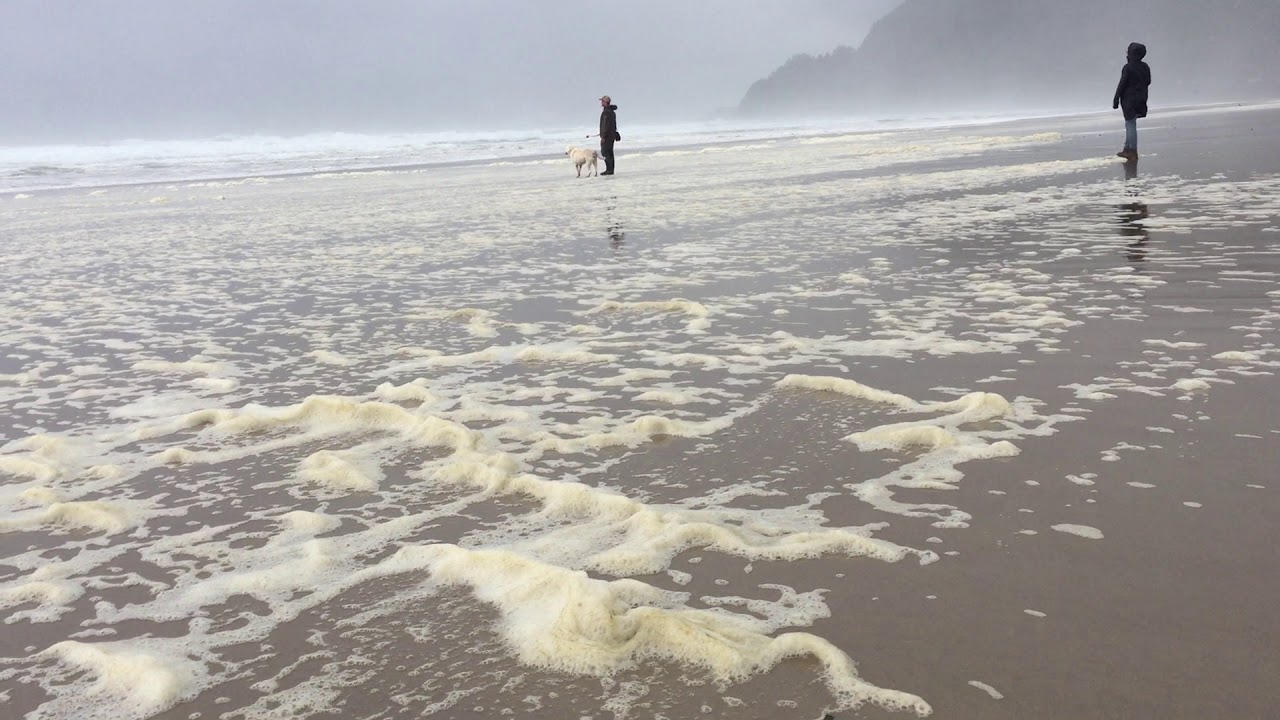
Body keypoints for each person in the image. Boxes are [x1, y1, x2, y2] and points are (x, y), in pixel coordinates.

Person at [1113, 42, 1151, 161]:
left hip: (1129, 99)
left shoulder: (1128, 67)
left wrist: (1116, 99)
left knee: (1130, 124)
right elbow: (1148, 81)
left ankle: (1132, 151)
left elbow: (1122, 84)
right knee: (1131, 123)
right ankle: (1127, 148)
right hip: (1141, 99)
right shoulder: (1145, 67)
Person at [598, 95, 618, 175]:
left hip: (607, 136)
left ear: (606, 102)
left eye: (602, 101)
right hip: (611, 135)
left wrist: (603, 136)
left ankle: (609, 170)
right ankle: (610, 169)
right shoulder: (611, 112)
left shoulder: (607, 112)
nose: (601, 103)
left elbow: (606, 125)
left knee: (605, 152)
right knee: (609, 152)